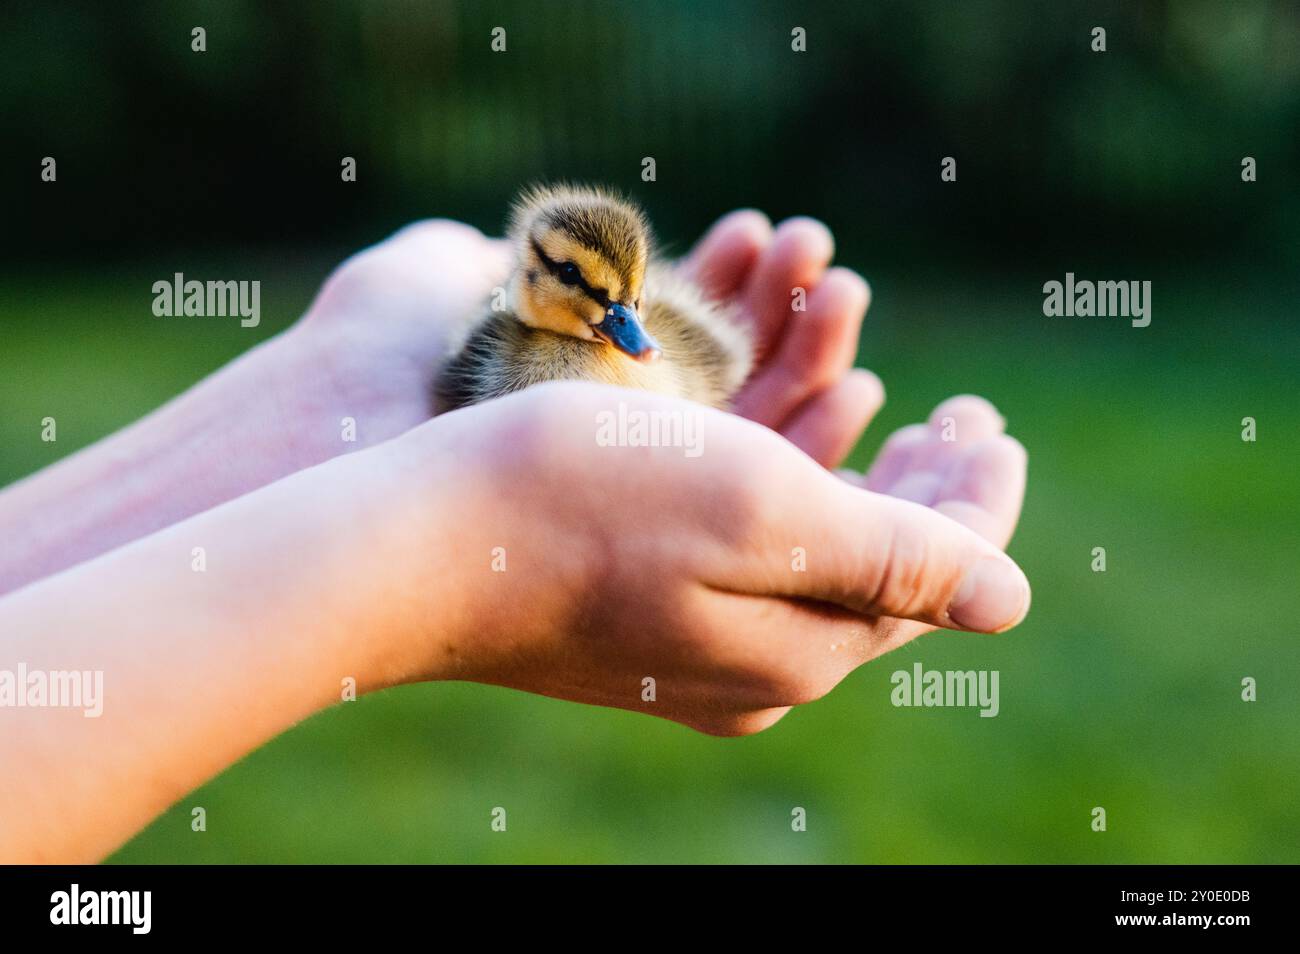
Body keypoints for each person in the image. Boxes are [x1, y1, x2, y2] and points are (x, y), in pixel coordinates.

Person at [0, 212, 1029, 863]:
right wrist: (457, 547)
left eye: (622, 301)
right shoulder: (513, 350)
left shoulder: (613, 330)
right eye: (588, 295)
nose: (623, 324)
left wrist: (289, 415)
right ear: (535, 272)